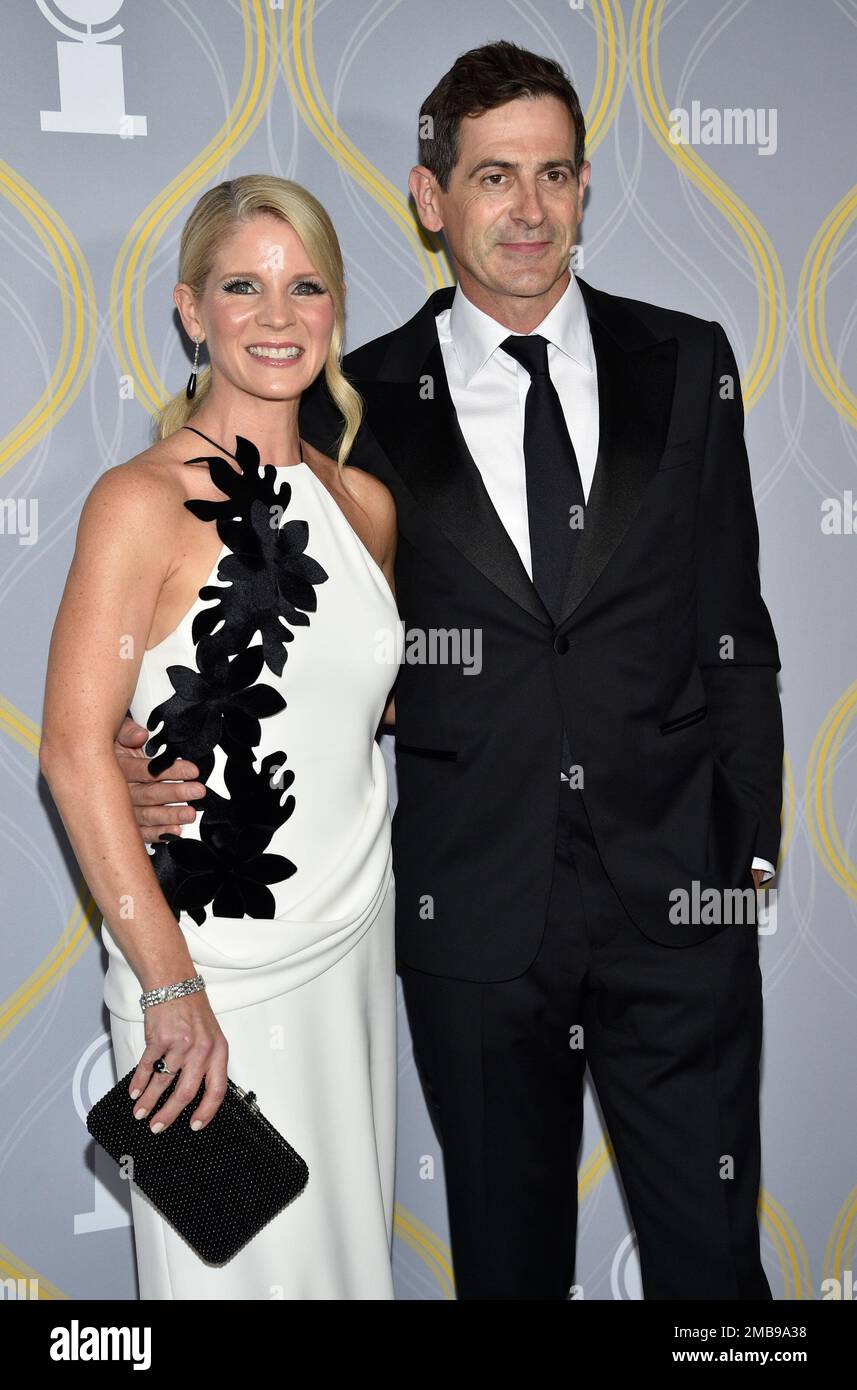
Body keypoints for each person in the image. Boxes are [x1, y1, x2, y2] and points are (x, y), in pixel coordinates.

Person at [114, 42, 784, 1300]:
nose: (526, 210)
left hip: (677, 910)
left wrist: (744, 856)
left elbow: (732, 623)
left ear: (585, 188)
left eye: (552, 176)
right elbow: (222, 631)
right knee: (498, 1268)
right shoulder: (347, 406)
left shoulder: (688, 362)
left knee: (713, 1276)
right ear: (432, 199)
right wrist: (122, 762)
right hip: (464, 920)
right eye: (491, 176)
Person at [40, 175, 402, 1300]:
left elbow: (343, 702)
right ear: (192, 311)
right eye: (243, 286)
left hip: (349, 947)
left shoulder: (363, 507)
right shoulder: (135, 501)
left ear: (335, 310)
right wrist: (167, 987)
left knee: (342, 1265)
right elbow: (70, 747)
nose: (278, 315)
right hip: (205, 974)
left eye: (305, 287)